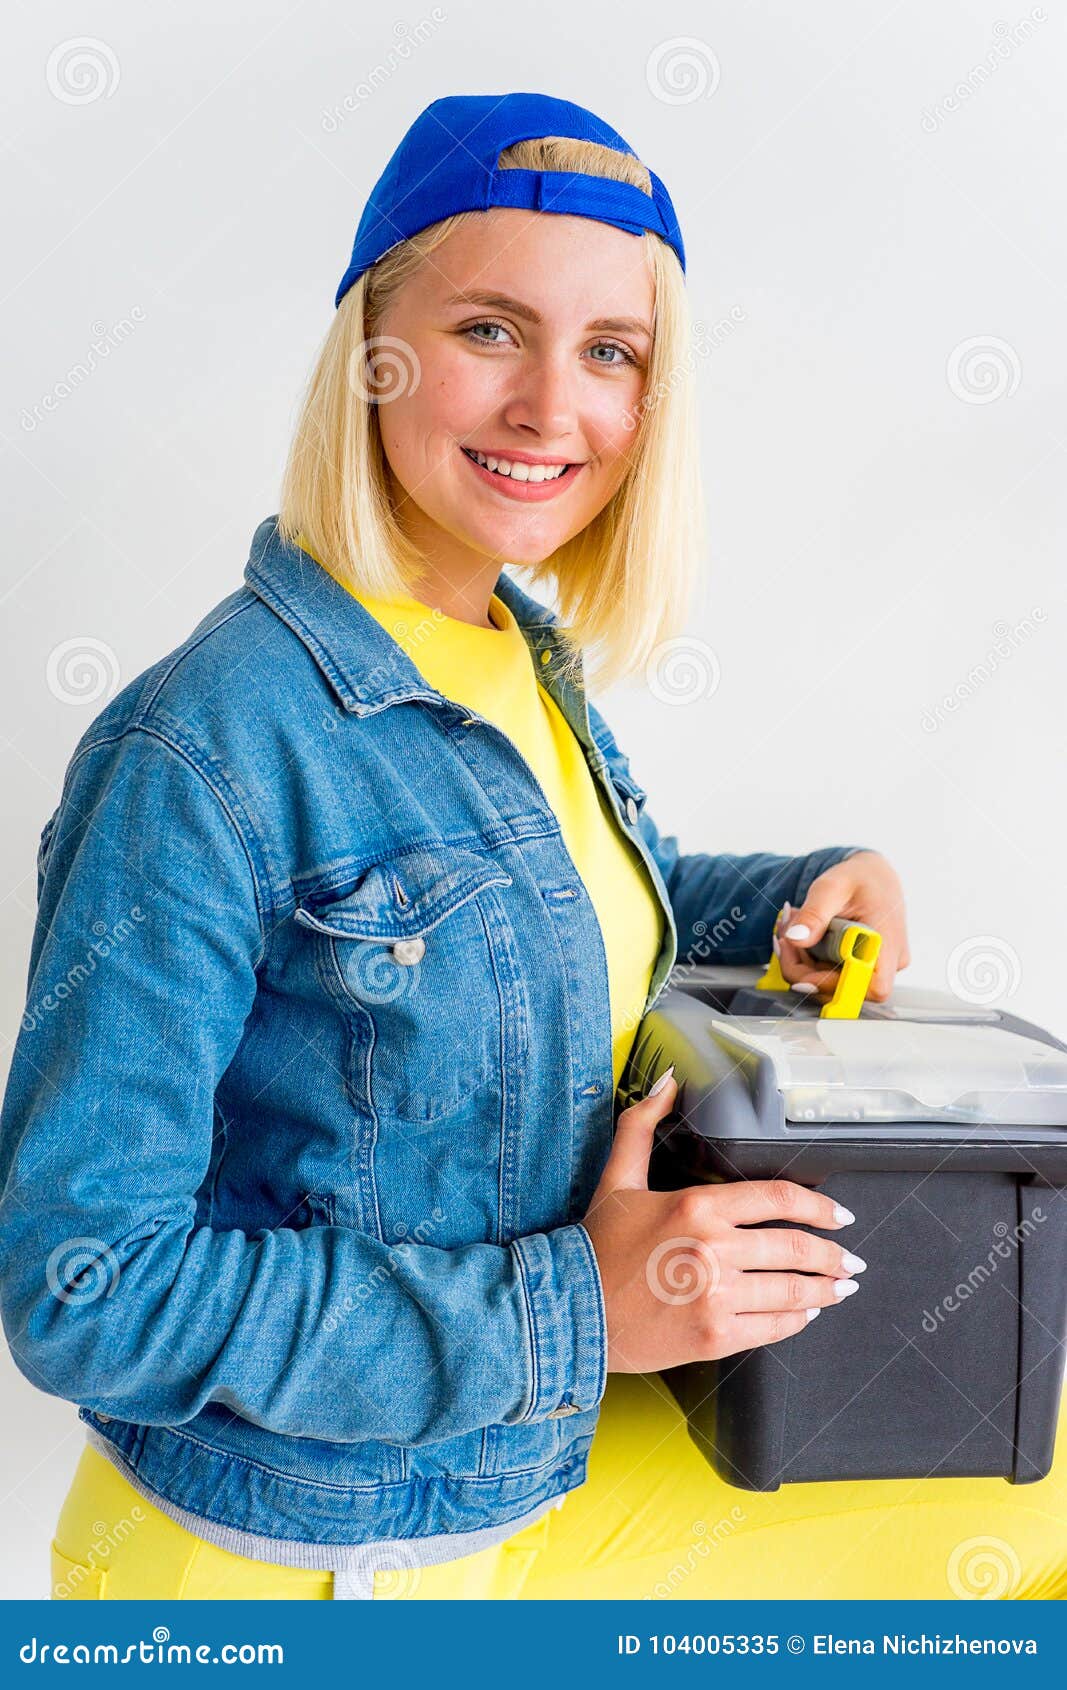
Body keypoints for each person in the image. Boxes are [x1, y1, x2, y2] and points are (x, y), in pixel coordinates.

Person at [3, 90, 1062, 1604]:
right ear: (370, 350)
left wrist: (799, 900)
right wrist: (577, 1310)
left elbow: (554, 923)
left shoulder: (509, 649)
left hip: (512, 1464)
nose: (551, 408)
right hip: (298, 1557)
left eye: (611, 353)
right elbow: (83, 1288)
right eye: (491, 329)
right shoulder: (204, 745)